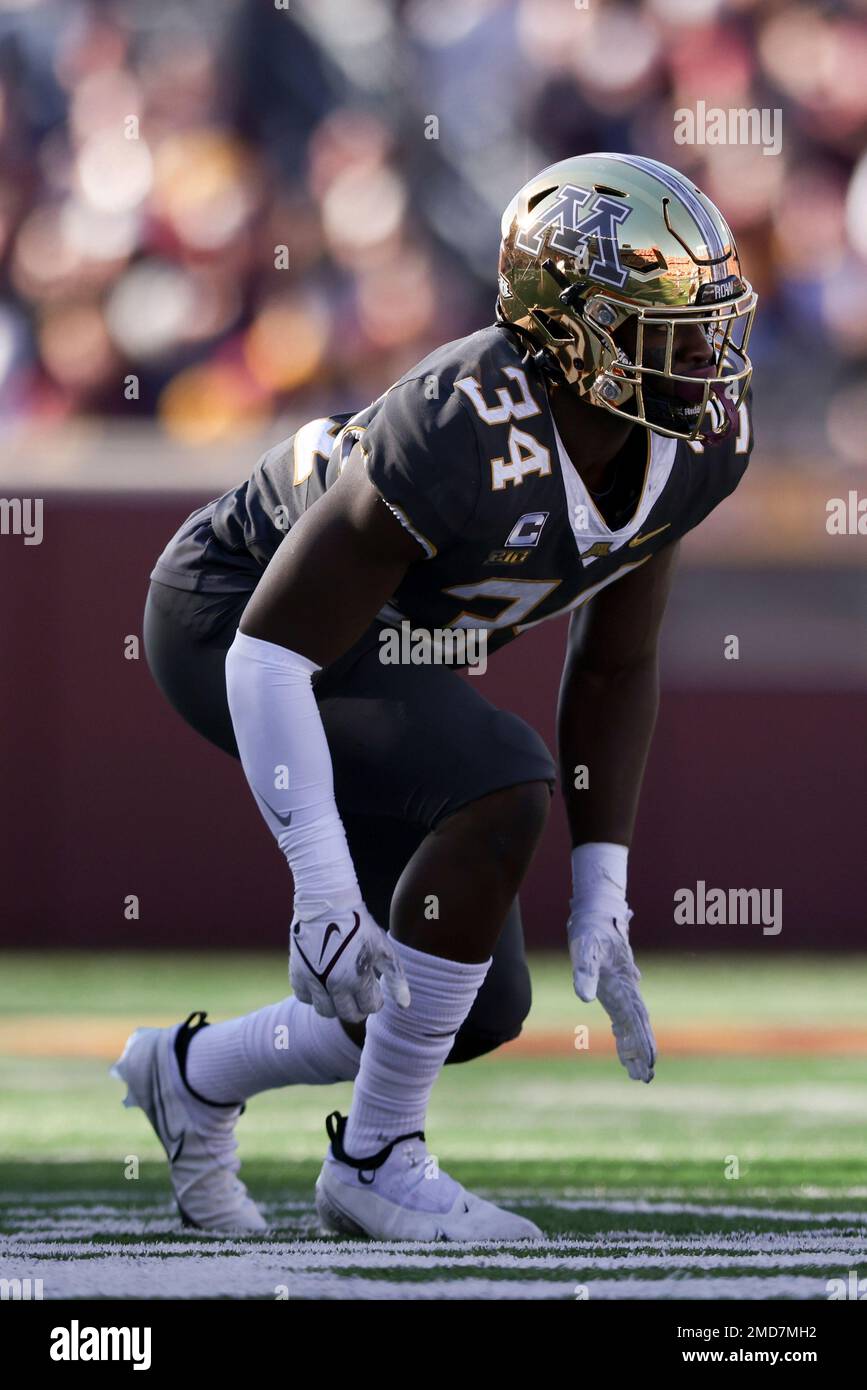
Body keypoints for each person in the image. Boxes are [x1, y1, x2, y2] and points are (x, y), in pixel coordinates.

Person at [114, 153, 756, 1240]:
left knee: (463, 1000)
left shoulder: (695, 444)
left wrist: (605, 887)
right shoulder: (465, 418)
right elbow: (272, 652)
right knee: (502, 777)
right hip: (238, 618)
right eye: (662, 327)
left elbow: (613, 661)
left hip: (377, 648)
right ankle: (373, 1161)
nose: (702, 354)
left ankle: (194, 1073)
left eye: (705, 321)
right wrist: (320, 890)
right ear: (566, 327)